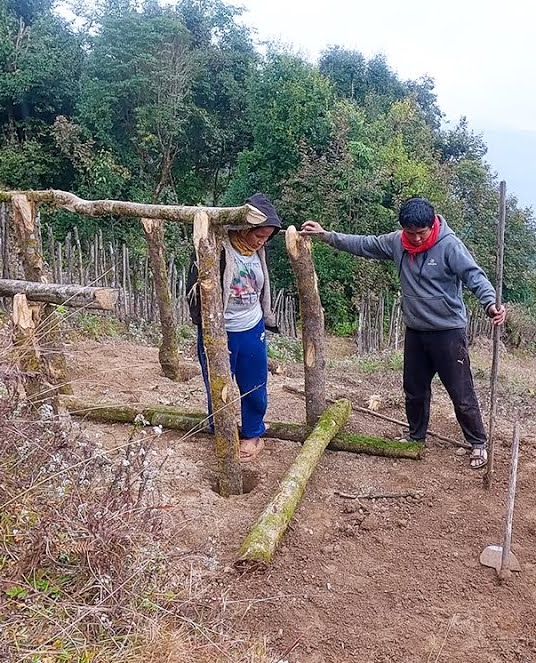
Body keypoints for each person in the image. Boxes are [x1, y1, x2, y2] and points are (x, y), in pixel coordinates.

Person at [301, 197, 506, 469]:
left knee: (460, 391)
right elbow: (364, 244)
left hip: (448, 332)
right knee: (414, 390)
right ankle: (415, 436)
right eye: (411, 233)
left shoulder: (450, 246)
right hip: (416, 331)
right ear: (403, 229)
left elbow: (474, 276)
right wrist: (327, 236)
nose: (417, 239)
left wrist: (490, 304)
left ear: (432, 225)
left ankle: (478, 442)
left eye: (421, 233)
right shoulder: (397, 242)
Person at [185, 192, 284, 462]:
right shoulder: (216, 248)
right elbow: (195, 289)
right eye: (258, 235)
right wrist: (204, 325)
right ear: (244, 228)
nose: (262, 241)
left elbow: (262, 287)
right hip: (219, 330)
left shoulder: (258, 252)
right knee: (219, 385)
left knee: (254, 384)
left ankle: (252, 433)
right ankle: (223, 431)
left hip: (251, 327)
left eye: (266, 237)